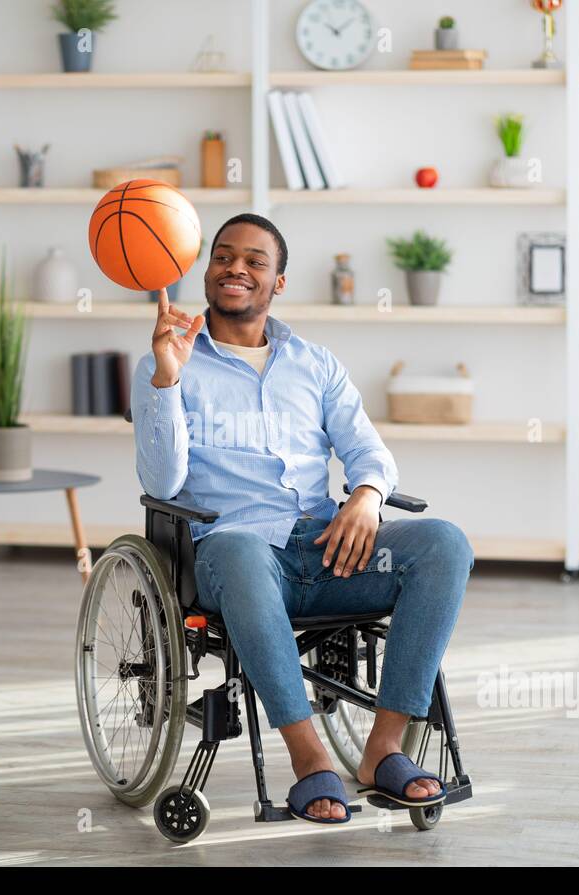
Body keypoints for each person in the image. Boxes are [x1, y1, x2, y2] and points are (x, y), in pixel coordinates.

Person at [130, 213, 474, 824]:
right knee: (238, 549)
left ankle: (383, 751)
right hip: (232, 557)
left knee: (443, 543)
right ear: (207, 272)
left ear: (277, 283)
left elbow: (370, 452)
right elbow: (160, 484)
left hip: (324, 549)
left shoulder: (315, 365)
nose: (237, 268)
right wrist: (166, 377)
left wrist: (365, 496)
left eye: (255, 261)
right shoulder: (171, 361)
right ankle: (310, 758)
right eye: (224, 257)